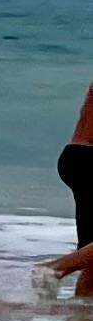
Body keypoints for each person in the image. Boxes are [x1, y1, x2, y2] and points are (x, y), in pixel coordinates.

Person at [48, 78, 93, 292]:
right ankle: (53, 270)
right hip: (90, 159)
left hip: (76, 154)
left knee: (89, 255)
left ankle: (82, 309)